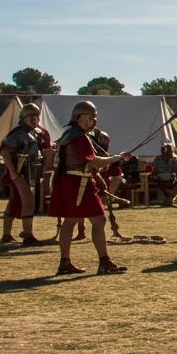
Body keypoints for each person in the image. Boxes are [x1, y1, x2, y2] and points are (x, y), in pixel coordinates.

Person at [48, 101, 126, 275]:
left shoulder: (68, 134)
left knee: (70, 222)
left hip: (69, 181)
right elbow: (94, 161)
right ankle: (104, 262)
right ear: (79, 117)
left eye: (94, 117)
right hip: (79, 183)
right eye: (90, 116)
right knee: (98, 220)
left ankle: (65, 262)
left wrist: (113, 159)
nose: (93, 120)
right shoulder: (79, 137)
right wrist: (115, 158)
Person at [0, 102, 52, 246]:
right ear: (23, 117)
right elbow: (4, 151)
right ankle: (28, 235)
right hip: (20, 171)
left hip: (32, 171)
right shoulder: (18, 133)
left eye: (36, 116)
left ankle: (6, 235)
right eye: (31, 116)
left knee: (16, 201)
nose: (34, 119)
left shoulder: (35, 132)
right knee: (28, 201)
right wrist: (13, 171)